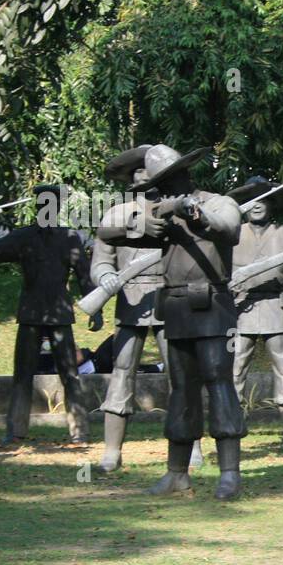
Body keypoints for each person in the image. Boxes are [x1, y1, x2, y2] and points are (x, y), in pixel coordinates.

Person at [97, 144, 245, 499]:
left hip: (212, 305)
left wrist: (196, 215)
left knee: (219, 383)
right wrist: (149, 218)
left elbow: (228, 229)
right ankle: (177, 473)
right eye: (158, 184)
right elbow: (105, 230)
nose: (161, 188)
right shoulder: (160, 214)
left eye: (166, 181)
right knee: (181, 391)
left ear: (184, 174)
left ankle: (230, 474)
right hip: (176, 307)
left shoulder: (217, 201)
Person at [92, 145, 203, 473]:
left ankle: (191, 445)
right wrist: (107, 277)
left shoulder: (180, 208)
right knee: (121, 375)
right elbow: (99, 261)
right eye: (141, 171)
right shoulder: (115, 215)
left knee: (182, 376)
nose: (147, 177)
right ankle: (112, 451)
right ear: (132, 178)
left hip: (173, 301)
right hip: (132, 303)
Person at [0, 183, 95, 445]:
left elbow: (85, 277)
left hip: (60, 316)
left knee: (70, 374)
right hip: (30, 314)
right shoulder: (24, 237)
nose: (48, 209)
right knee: (22, 374)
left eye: (52, 204)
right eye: (44, 204)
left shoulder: (69, 238)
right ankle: (16, 430)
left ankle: (79, 430)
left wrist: (95, 309)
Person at [229, 176, 283, 454]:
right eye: (252, 200)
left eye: (263, 199)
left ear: (272, 204)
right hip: (240, 311)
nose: (257, 205)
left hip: (276, 308)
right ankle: (233, 427)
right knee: (235, 369)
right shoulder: (233, 234)